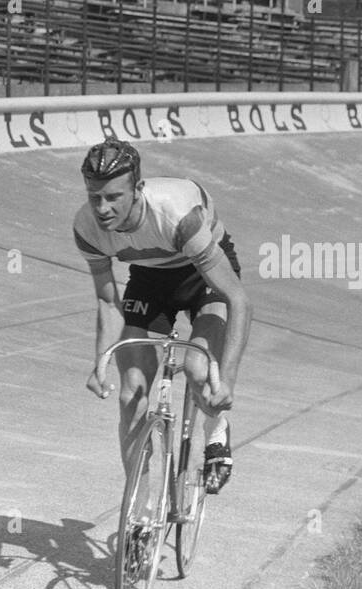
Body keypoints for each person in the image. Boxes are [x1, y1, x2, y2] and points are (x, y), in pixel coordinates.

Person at [77, 137, 251, 507]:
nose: (103, 208)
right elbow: (109, 301)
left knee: (199, 369)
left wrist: (229, 380)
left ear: (138, 189)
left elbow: (238, 299)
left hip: (204, 273)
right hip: (151, 276)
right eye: (95, 197)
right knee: (131, 394)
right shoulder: (87, 228)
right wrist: (100, 360)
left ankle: (216, 429)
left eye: (113, 197)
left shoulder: (176, 214)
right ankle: (138, 508)